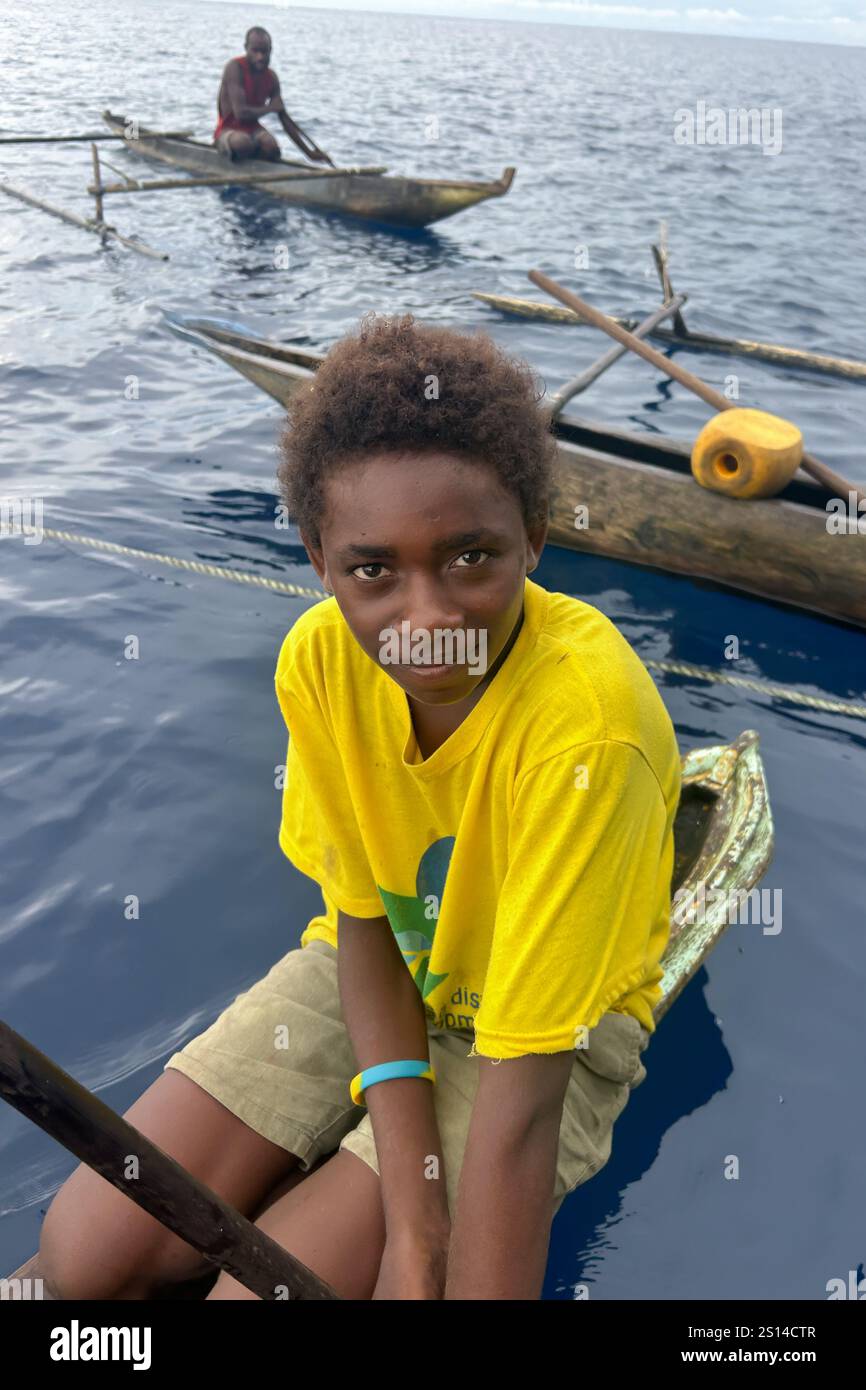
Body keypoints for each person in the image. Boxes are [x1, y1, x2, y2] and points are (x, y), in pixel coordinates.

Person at [36, 315, 681, 1301]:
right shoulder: (319, 662)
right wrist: (415, 1217)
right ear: (318, 560)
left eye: (471, 558)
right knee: (84, 1252)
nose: (425, 620)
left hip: (542, 1030)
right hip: (382, 968)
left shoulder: (585, 733)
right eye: (372, 571)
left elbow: (517, 1107)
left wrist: (424, 1250)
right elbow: (365, 922)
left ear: (535, 538)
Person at [213, 26, 333, 165]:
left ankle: (255, 164)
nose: (260, 57)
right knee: (242, 143)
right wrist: (270, 108)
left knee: (271, 147)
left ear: (271, 50)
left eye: (264, 52)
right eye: (255, 51)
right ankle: (240, 154)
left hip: (253, 130)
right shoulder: (235, 68)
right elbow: (241, 113)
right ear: (246, 48)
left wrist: (309, 153)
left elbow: (284, 119)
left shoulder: (271, 77)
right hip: (228, 130)